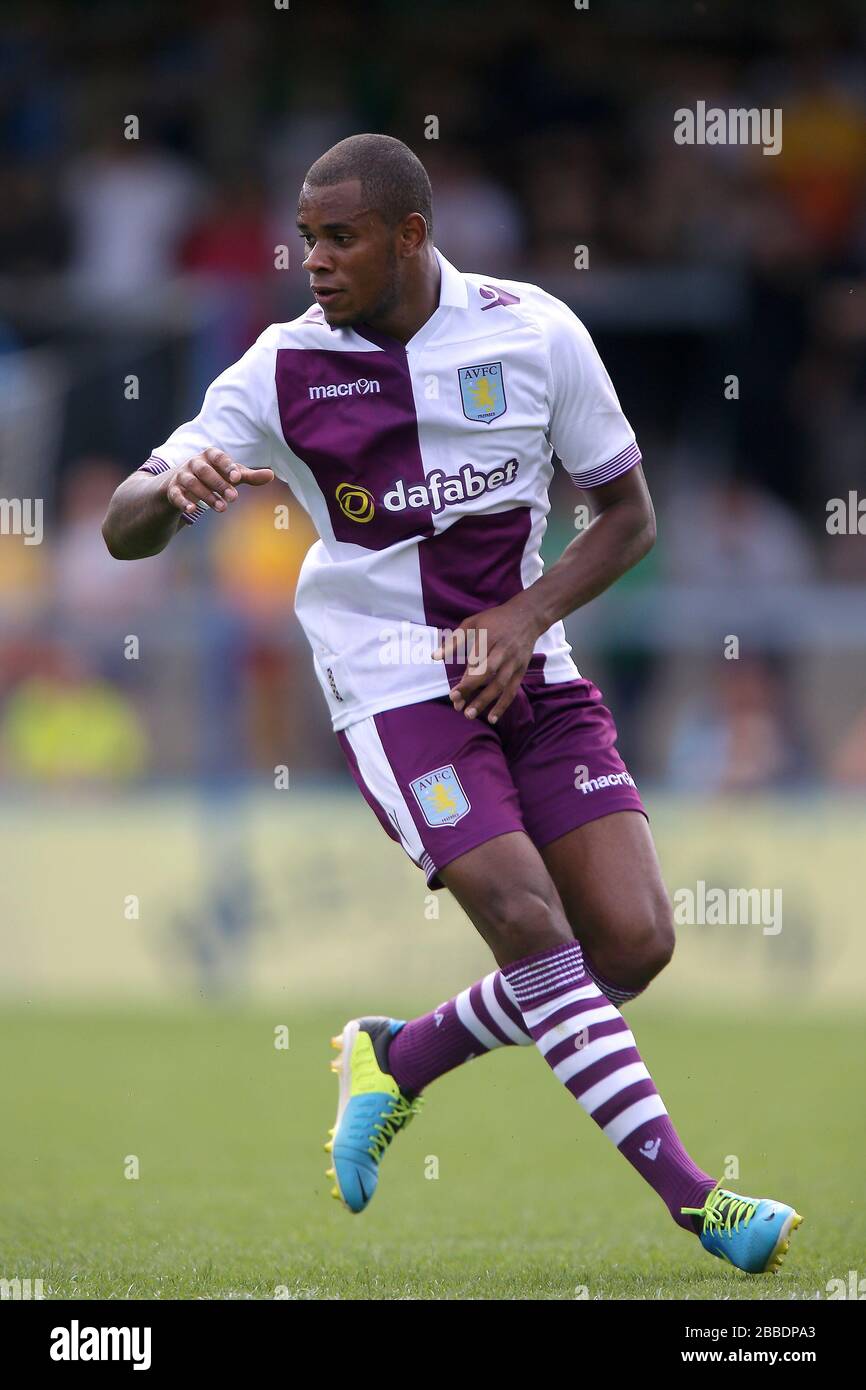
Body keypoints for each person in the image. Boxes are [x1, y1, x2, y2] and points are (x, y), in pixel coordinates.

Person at [102, 133, 801, 1276]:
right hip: (388, 682)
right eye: (307, 236)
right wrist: (165, 491)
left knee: (629, 943)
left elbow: (627, 515)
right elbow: (120, 525)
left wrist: (525, 618)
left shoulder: (532, 333)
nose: (313, 258)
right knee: (529, 921)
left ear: (410, 236)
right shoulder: (280, 367)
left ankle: (397, 1055)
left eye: (340, 237)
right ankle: (698, 1202)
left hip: (530, 662)